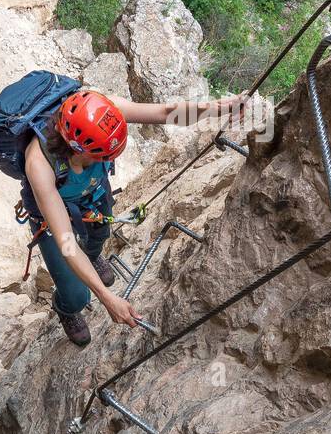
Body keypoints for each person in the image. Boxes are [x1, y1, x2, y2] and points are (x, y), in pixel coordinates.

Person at [22, 87, 248, 346]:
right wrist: (106, 297)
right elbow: (67, 244)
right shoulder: (39, 166)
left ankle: (93, 259)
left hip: (91, 197)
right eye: (101, 156)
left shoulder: (104, 109)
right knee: (77, 295)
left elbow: (165, 113)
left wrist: (219, 107)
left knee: (99, 236)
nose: (104, 160)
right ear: (77, 150)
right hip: (53, 213)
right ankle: (65, 308)